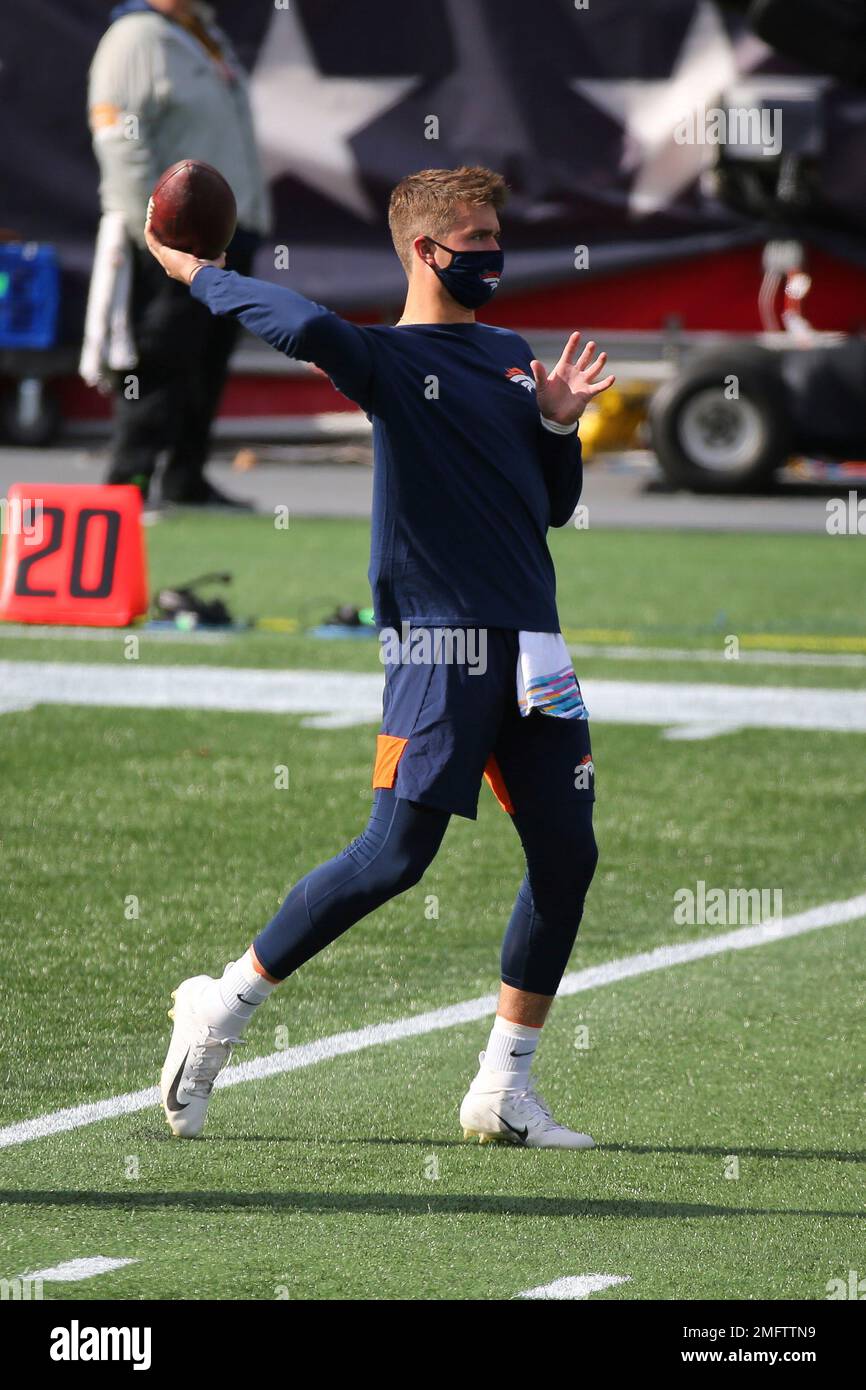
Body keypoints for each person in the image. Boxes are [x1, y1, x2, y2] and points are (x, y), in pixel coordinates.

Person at [150, 165, 615, 1148]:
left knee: (567, 855)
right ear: (423, 249)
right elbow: (304, 327)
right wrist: (195, 270)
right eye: (472, 236)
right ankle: (222, 1003)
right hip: (440, 642)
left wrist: (559, 426)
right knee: (395, 856)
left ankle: (502, 1086)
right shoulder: (389, 359)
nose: (490, 252)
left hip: (533, 639)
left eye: (495, 232)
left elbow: (556, 506)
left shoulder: (508, 354)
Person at [84, 0, 270, 506]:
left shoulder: (204, 33)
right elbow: (118, 138)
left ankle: (185, 481)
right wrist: (152, 231)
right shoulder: (136, 37)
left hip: (227, 235)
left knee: (206, 361)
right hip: (170, 239)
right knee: (157, 358)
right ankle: (129, 485)